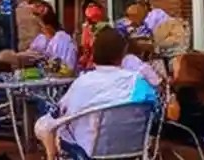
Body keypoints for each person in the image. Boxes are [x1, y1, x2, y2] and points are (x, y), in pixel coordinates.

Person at [34, 27, 158, 158]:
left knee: (45, 124)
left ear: (94, 54)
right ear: (123, 53)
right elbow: (155, 111)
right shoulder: (138, 81)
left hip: (85, 152)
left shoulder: (83, 83)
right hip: (132, 151)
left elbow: (59, 113)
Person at [28, 8, 78, 74]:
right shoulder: (55, 38)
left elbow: (63, 65)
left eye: (42, 27)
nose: (42, 30)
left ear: (48, 27)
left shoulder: (61, 39)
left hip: (64, 77)